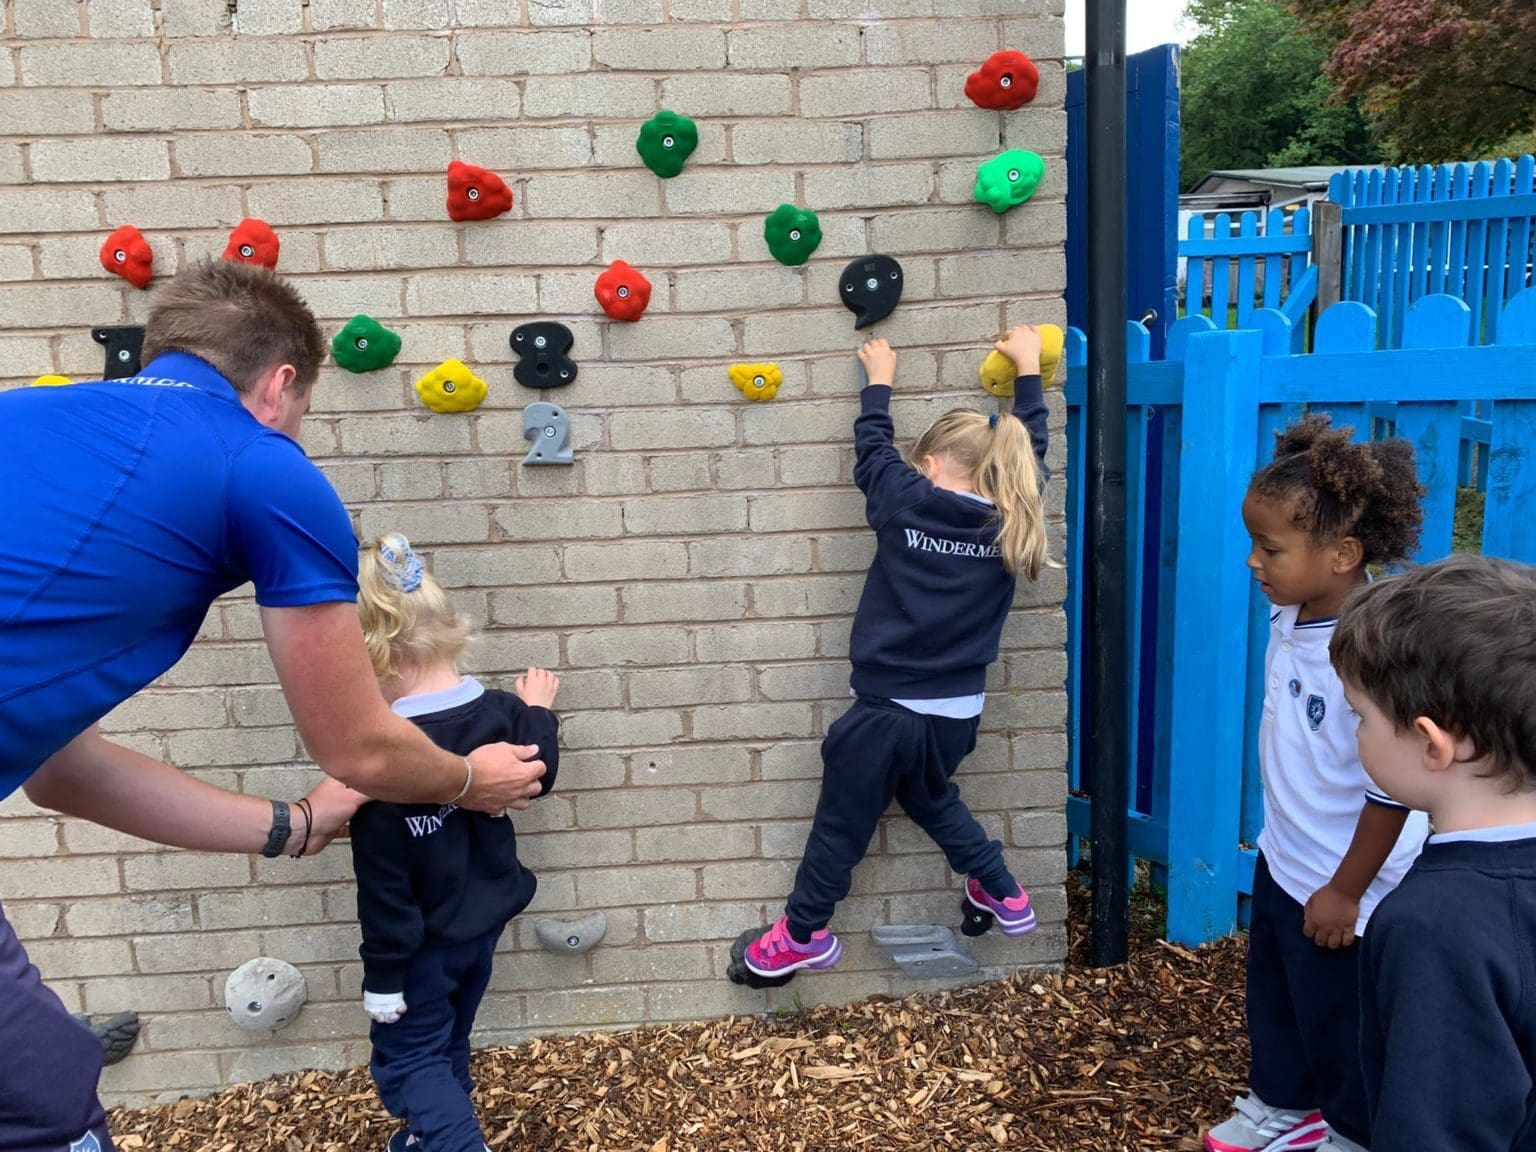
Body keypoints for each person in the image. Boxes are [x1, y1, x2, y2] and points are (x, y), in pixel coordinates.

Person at [0, 260, 547, 1152]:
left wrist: (291, 824)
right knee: (43, 1104)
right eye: (303, 408)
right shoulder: (260, 465)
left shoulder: (23, 418)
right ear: (279, 383)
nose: (297, 428)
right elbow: (362, 748)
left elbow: (61, 770)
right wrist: (467, 782)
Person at [729, 327, 1052, 985]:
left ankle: (800, 935)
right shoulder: (1012, 514)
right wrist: (1027, 371)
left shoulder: (906, 500)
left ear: (930, 463)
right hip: (956, 716)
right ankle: (999, 886)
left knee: (839, 830)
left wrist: (878, 376)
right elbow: (1031, 452)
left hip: (885, 714)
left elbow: (871, 446)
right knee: (931, 798)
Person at [1204, 416, 1427, 1152]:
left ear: (1342, 554)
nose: (1252, 563)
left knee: (1339, 1016)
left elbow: (1392, 790)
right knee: (1275, 991)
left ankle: (1352, 1129)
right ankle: (1283, 1100)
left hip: (1345, 875)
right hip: (1286, 855)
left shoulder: (1368, 653)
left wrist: (1346, 891)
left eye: (1269, 549)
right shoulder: (1293, 607)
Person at [348, 533, 560, 1152]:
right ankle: (428, 1139)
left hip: (420, 948)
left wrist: (384, 982)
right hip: (481, 930)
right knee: (446, 1043)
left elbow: (384, 894)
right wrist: (537, 708)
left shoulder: (385, 758)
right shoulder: (499, 711)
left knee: (408, 1062)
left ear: (372, 658)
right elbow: (539, 769)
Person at [1330, 554, 1536, 1152]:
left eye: (1360, 717)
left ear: (1431, 743)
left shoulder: (1434, 926)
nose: (1356, 736)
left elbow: (1435, 1128)